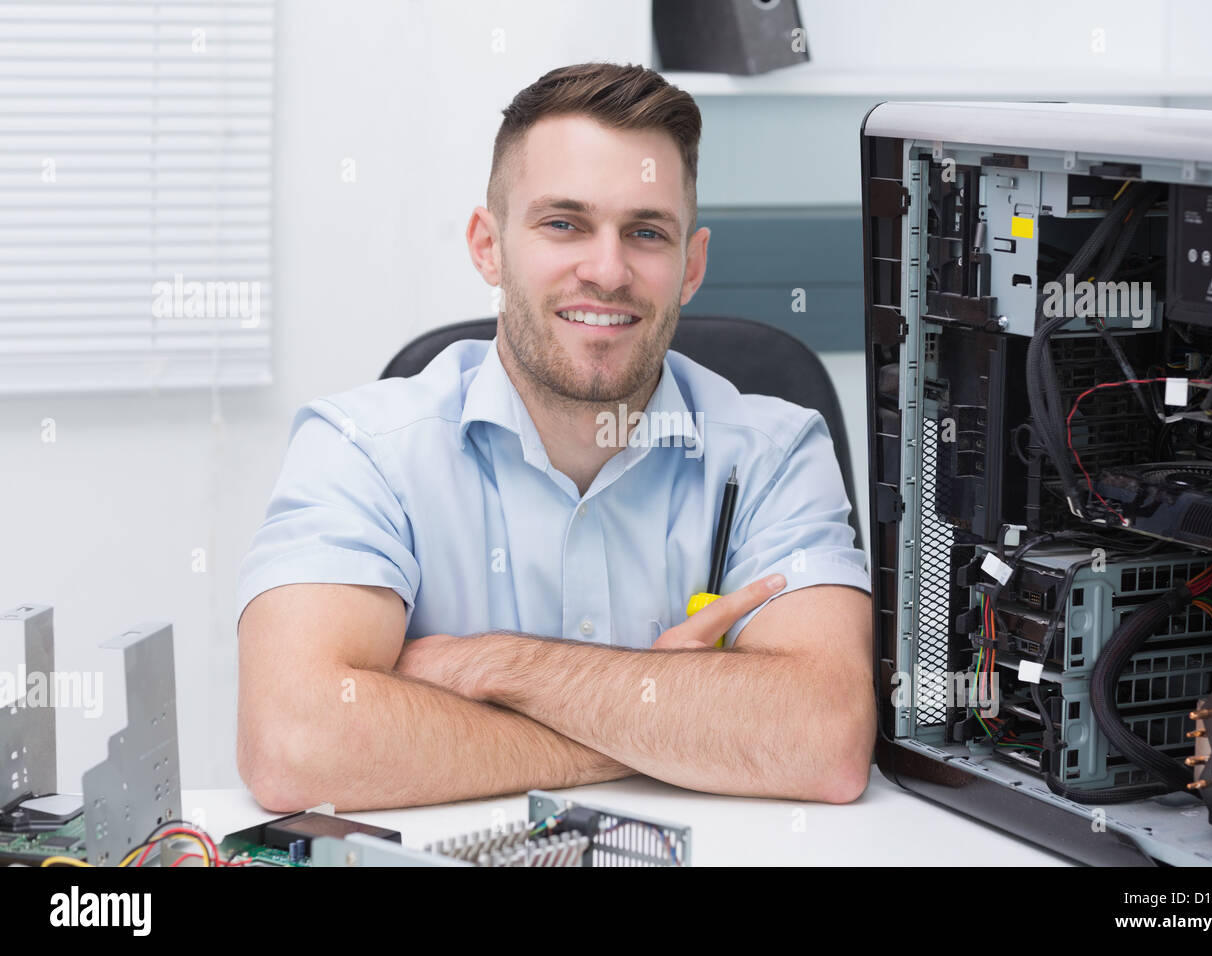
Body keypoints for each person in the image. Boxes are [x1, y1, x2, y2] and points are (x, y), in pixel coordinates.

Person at [234, 62, 874, 812]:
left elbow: (826, 737)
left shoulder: (777, 452)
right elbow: (296, 740)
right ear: (488, 247)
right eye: (564, 224)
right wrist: (661, 720)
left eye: (645, 232)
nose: (607, 271)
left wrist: (495, 668)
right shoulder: (361, 447)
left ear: (690, 267)